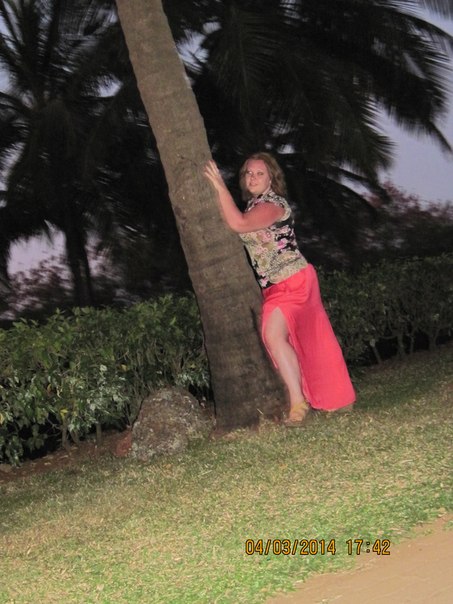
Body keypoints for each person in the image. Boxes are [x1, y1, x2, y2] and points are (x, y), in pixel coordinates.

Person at [203, 152, 356, 426]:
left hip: (293, 280)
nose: (252, 177)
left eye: (259, 173)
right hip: (275, 286)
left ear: (271, 179)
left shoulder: (273, 205)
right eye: (248, 173)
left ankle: (298, 403)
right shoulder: (253, 205)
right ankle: (332, 398)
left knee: (276, 335)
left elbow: (238, 224)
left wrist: (218, 184)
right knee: (308, 341)